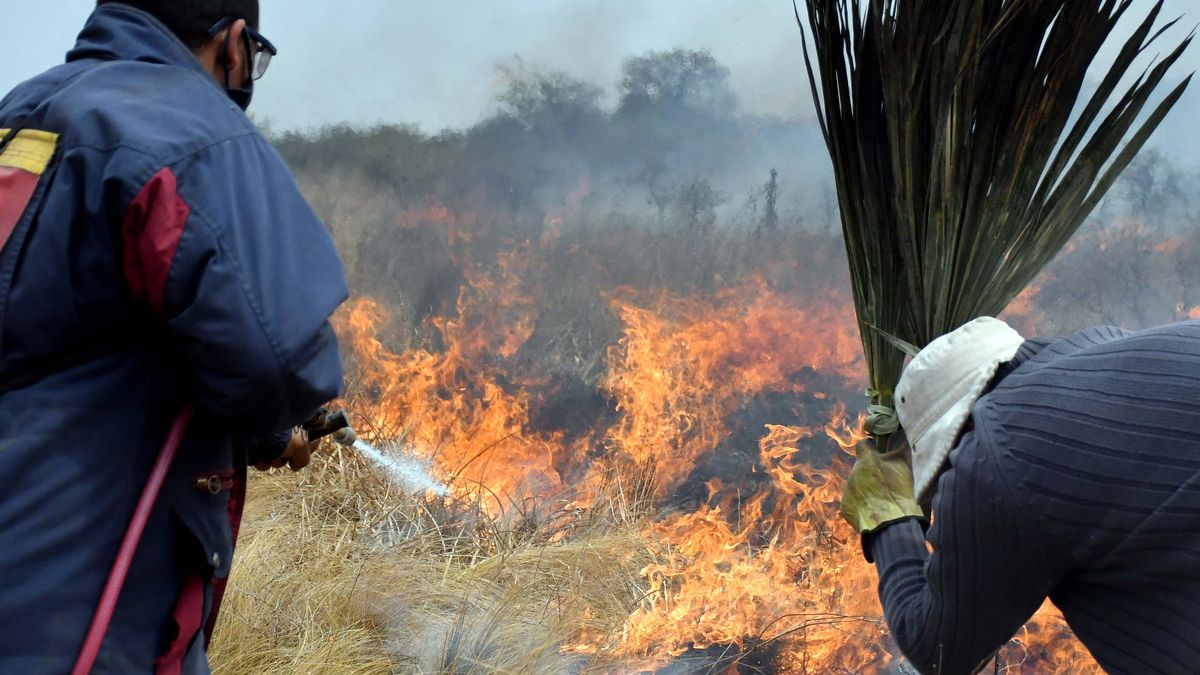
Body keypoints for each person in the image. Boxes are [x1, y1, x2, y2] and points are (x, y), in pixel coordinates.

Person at [0, 1, 347, 673]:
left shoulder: (22, 112)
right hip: (73, 612)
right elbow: (278, 357)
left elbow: (83, 330)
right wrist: (279, 418)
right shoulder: (188, 126)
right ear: (236, 45)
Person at [840, 316, 1200, 674]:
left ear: (955, 435)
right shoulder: (1124, 341)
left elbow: (935, 650)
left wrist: (891, 516)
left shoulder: (993, 455)